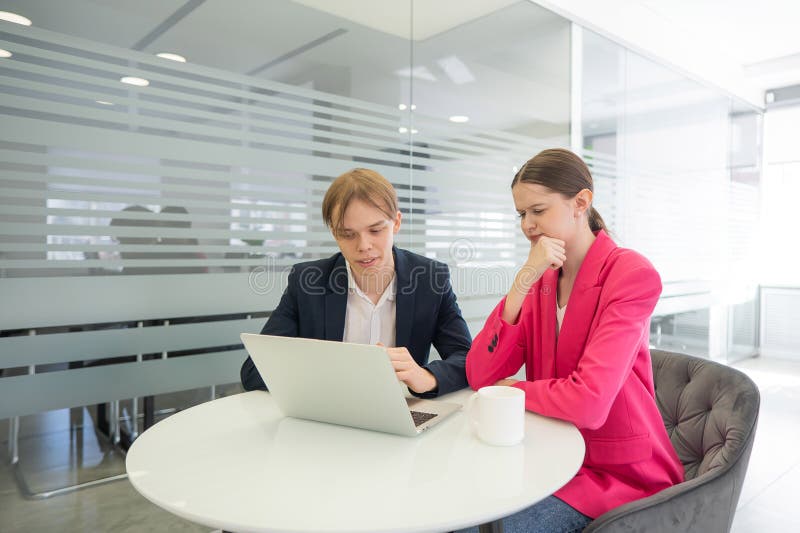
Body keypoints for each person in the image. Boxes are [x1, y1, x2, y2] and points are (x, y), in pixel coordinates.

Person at [463, 148, 684, 532]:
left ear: (581, 202)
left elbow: (589, 403)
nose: (528, 225)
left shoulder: (630, 274)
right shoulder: (543, 280)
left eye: (538, 210)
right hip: (549, 454)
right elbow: (481, 375)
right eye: (521, 214)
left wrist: (516, 388)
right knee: (464, 511)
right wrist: (523, 281)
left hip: (616, 473)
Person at [240, 168, 472, 398]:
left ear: (396, 223)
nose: (363, 246)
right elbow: (253, 371)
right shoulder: (307, 282)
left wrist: (425, 377)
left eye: (375, 230)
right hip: (328, 414)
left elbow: (466, 359)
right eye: (348, 234)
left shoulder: (431, 279)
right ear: (334, 233)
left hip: (400, 412)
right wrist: (331, 367)